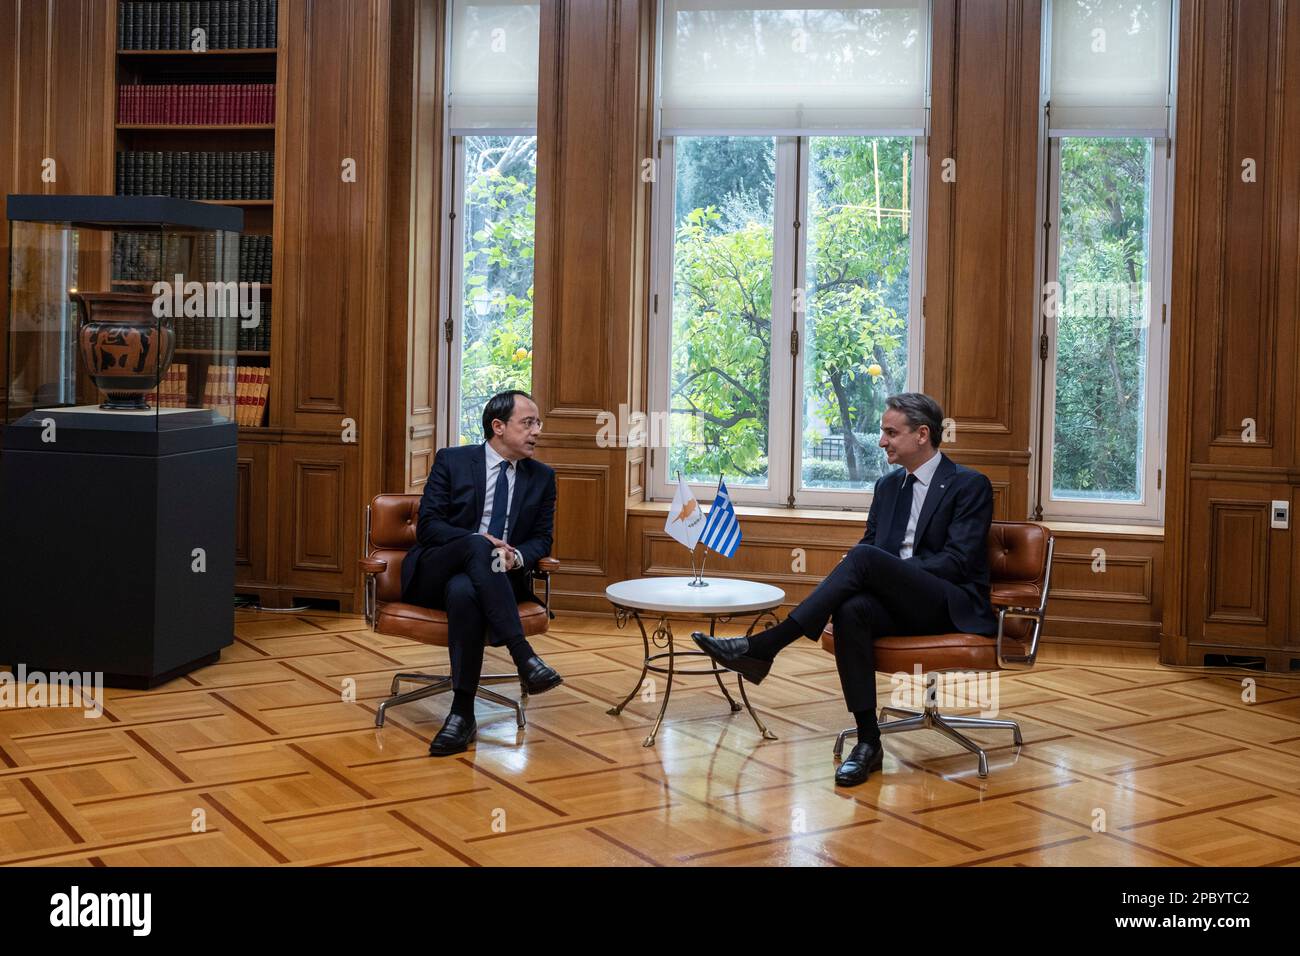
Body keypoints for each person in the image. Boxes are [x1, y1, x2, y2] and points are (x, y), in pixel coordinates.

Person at [693, 392, 996, 786]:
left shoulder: (969, 485)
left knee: (865, 558)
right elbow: (873, 548)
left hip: (946, 602)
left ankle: (767, 645)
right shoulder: (888, 488)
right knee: (852, 609)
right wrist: (874, 570)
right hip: (896, 602)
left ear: (922, 434)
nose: (882, 440)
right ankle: (869, 743)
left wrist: (889, 570)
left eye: (891, 432)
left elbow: (958, 561)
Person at [401, 390, 562, 756]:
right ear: (498, 427)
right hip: (435, 570)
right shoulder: (453, 461)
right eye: (528, 423)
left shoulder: (542, 477)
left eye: (538, 422)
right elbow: (428, 527)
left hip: (493, 579)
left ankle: (461, 714)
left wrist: (516, 557)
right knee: (477, 546)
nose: (537, 430)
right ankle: (523, 656)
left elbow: (542, 540)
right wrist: (481, 541)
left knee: (465, 593)